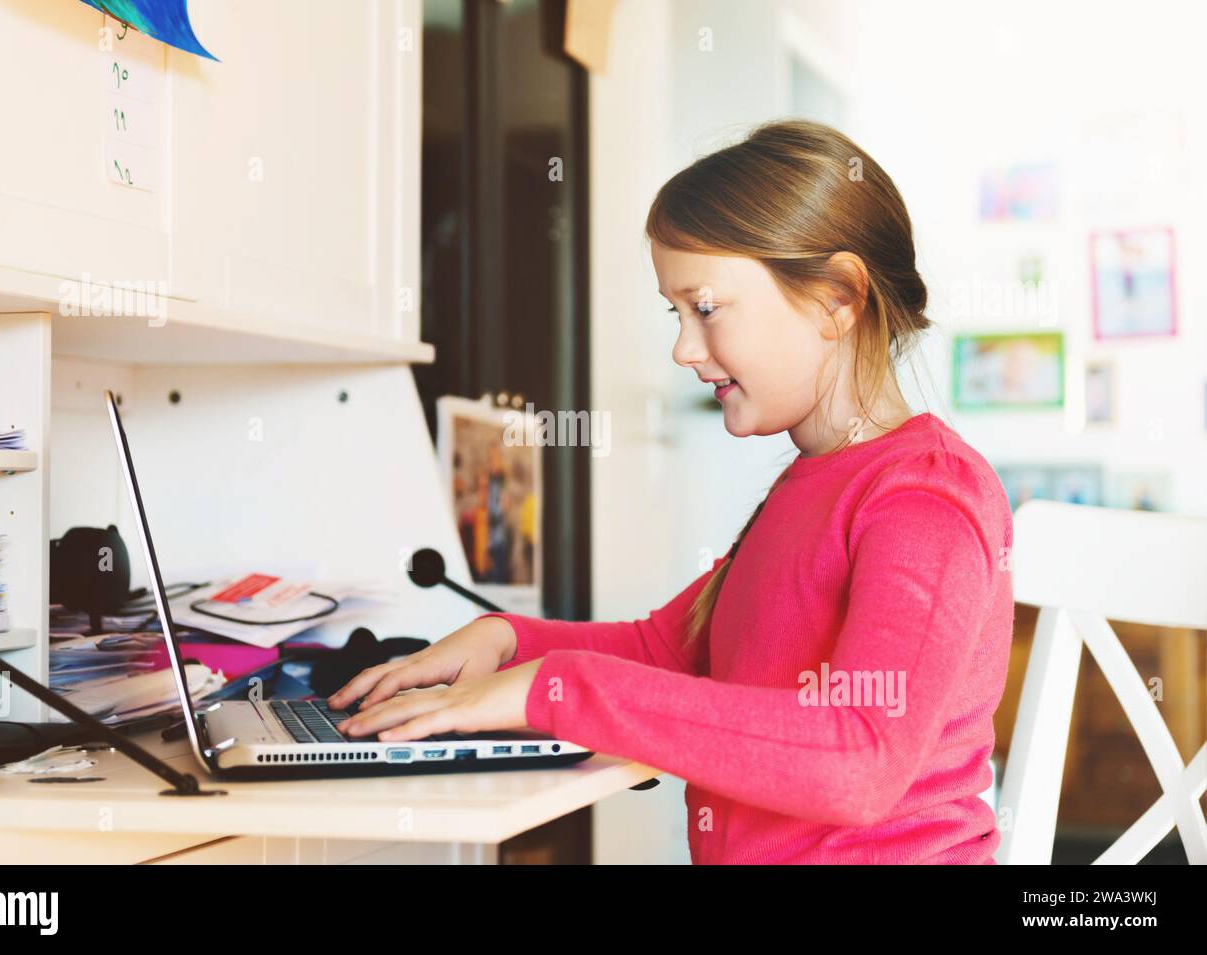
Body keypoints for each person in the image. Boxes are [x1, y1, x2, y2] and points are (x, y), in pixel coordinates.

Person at [328, 119, 1013, 864]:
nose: (684, 349)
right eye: (676, 313)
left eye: (706, 308)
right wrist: (507, 640)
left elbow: (861, 759)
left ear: (837, 298)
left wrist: (553, 688)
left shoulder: (924, 494)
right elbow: (669, 649)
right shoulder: (813, 483)